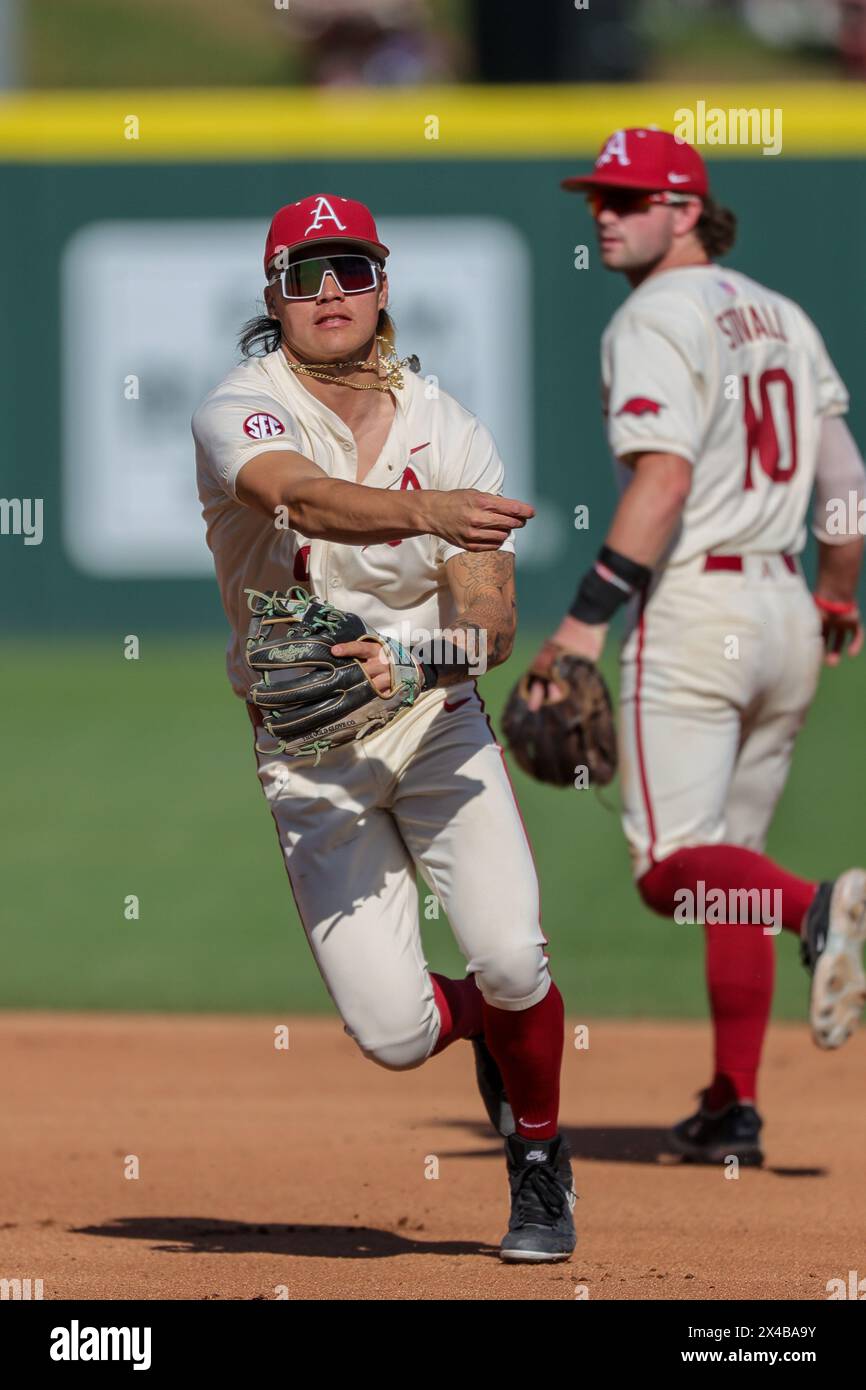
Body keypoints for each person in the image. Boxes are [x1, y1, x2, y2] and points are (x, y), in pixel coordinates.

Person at [192, 192, 576, 1257]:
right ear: (272, 293)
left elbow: (490, 626)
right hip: (309, 743)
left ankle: (539, 1163)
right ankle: (493, 1038)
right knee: (396, 1034)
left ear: (381, 287)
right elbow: (299, 499)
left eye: (349, 269)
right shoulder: (241, 405)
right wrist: (427, 513)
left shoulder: (449, 430)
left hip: (435, 725)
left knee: (509, 956)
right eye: (305, 272)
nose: (329, 292)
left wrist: (415, 657)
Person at [527, 129, 866, 1165]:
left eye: (628, 197)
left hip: (696, 610)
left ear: (686, 210)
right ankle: (732, 1107)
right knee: (731, 869)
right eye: (597, 196)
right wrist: (836, 594)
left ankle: (822, 911)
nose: (604, 213)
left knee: (672, 865)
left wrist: (584, 617)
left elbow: (662, 480)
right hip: (782, 612)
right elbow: (846, 490)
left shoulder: (651, 317)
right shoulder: (782, 314)